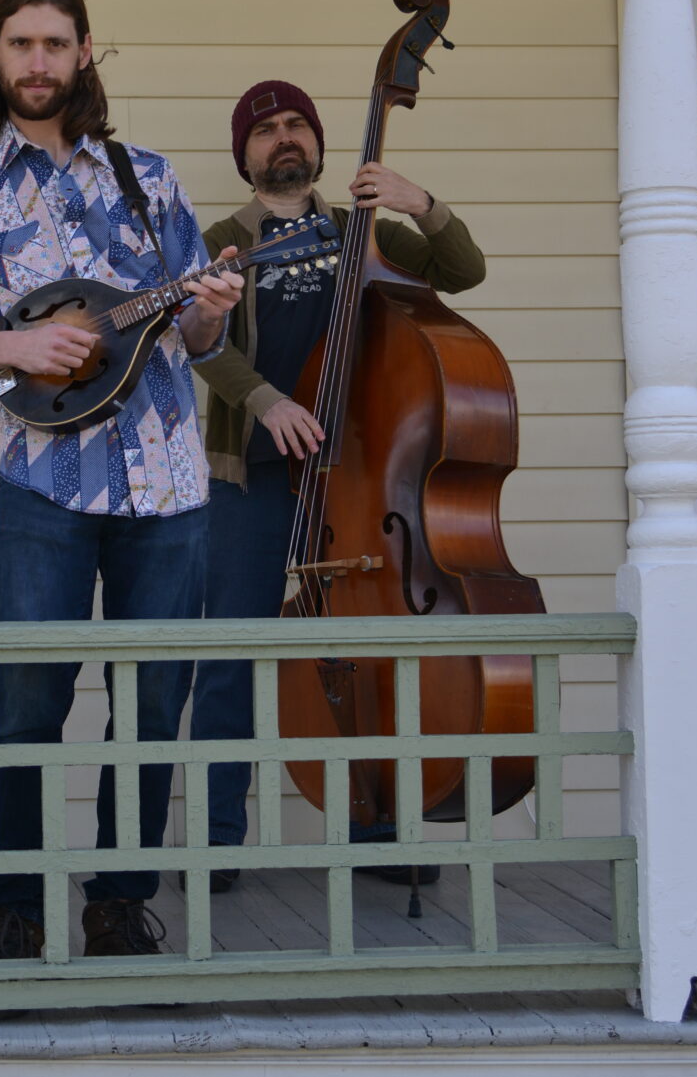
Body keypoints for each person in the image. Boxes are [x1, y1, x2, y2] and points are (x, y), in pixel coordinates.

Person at [0, 0, 243, 962]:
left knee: (149, 701)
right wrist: (9, 346)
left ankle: (120, 901)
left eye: (57, 42)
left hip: (168, 483)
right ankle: (15, 903)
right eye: (20, 42)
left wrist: (212, 314)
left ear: (84, 52)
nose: (38, 61)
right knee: (28, 700)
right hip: (41, 482)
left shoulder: (151, 181)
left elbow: (203, 342)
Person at [189, 78, 487, 891]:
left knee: (366, 647)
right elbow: (200, 342)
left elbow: (464, 269)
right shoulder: (220, 240)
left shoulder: (368, 233)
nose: (283, 138)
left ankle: (379, 828)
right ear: (244, 155)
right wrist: (267, 398)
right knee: (231, 654)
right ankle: (217, 839)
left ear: (317, 145)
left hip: (358, 485)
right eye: (265, 130)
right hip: (250, 476)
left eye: (296, 125)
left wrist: (417, 199)